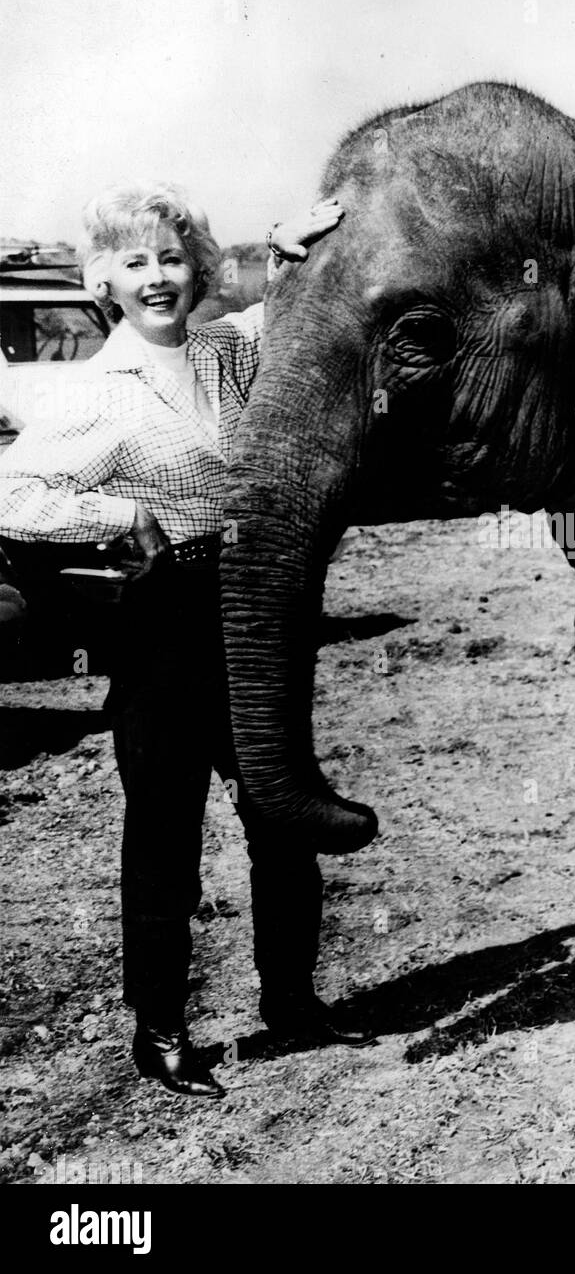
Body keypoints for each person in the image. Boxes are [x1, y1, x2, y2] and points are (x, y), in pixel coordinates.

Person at [0, 183, 370, 1099]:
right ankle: (160, 1030)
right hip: (161, 621)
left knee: (279, 808)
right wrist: (118, 510)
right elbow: (11, 496)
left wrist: (287, 242)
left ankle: (294, 1001)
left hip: (253, 609)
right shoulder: (92, 393)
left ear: (196, 268)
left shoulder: (229, 349)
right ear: (104, 284)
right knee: (165, 829)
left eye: (171, 257)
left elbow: (283, 306)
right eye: (135, 264)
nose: (158, 278)